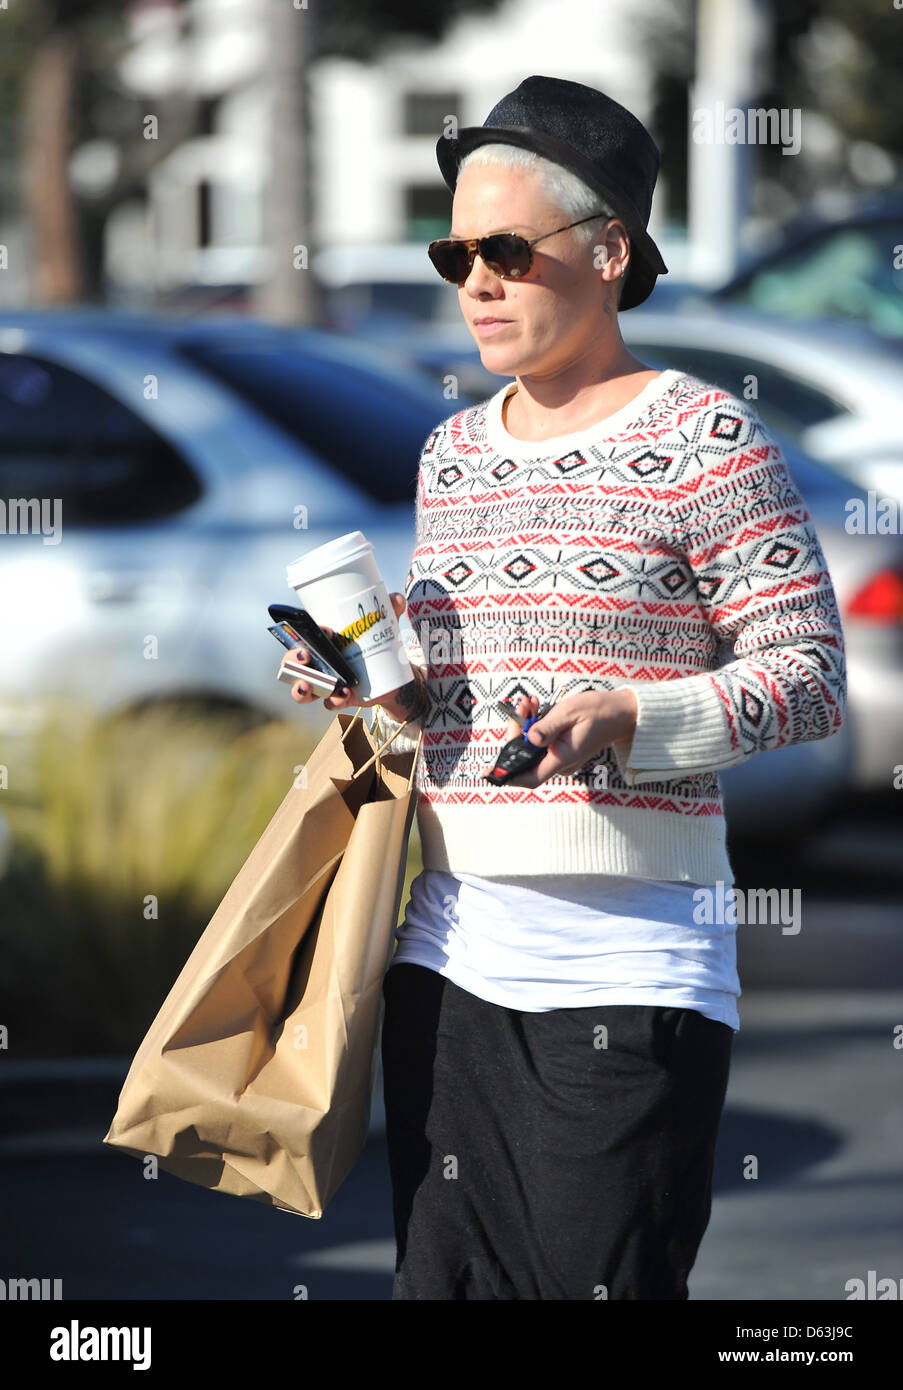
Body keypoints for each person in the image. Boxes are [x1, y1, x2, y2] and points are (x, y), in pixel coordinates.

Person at [284, 75, 847, 1300]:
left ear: (609, 253)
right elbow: (448, 705)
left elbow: (809, 681)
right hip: (448, 958)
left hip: (631, 974)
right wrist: (364, 683)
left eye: (506, 251)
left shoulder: (709, 440)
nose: (476, 282)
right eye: (455, 253)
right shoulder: (453, 452)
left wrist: (636, 718)